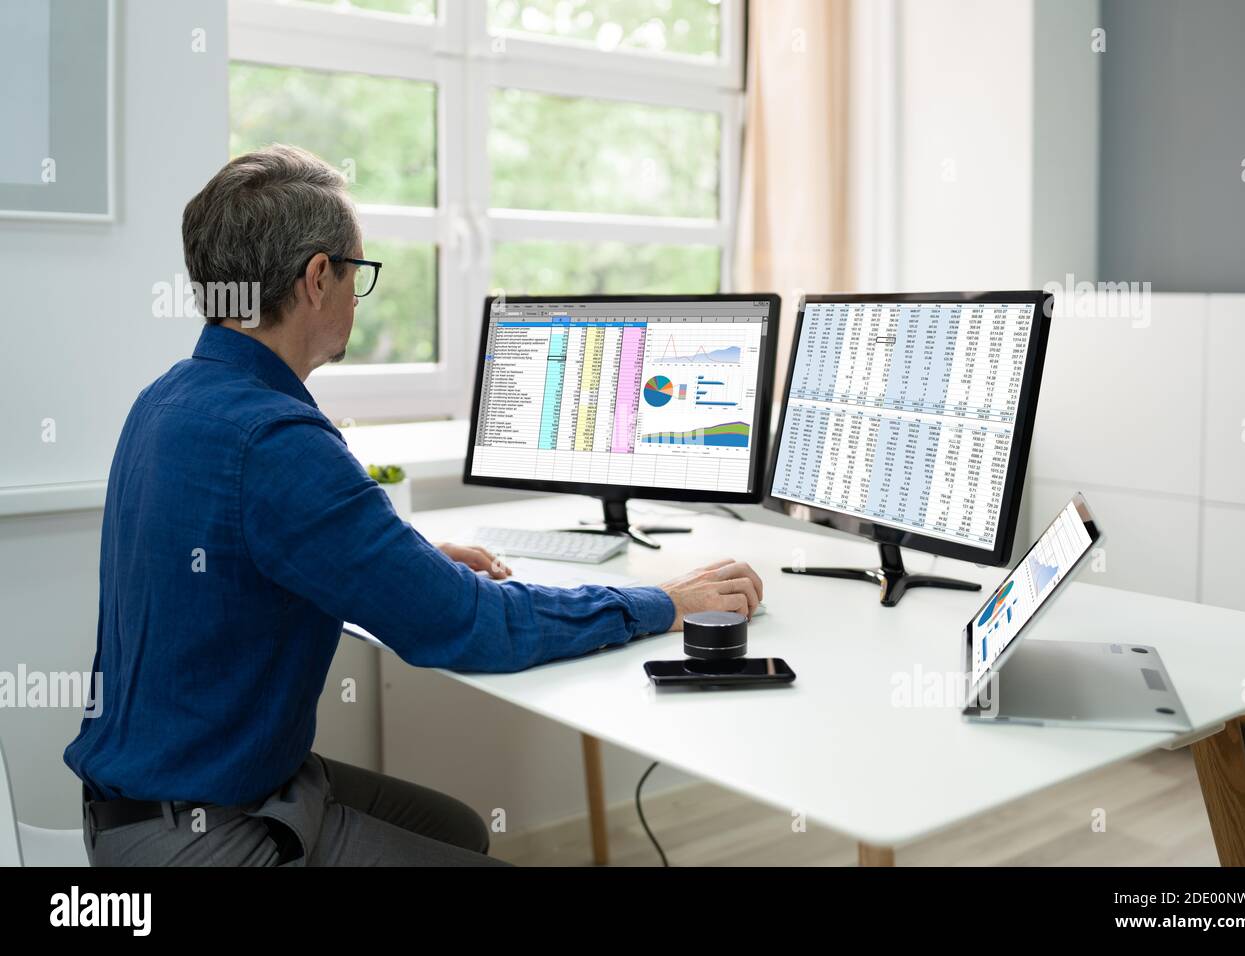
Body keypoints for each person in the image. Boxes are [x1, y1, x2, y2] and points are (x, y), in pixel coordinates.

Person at [64, 144, 764, 866]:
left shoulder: (168, 400)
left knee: (457, 829)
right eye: (356, 274)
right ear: (315, 279)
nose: (355, 296)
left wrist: (407, 562)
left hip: (141, 803)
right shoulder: (274, 440)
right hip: (201, 832)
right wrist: (661, 602)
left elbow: (258, 550)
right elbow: (467, 627)